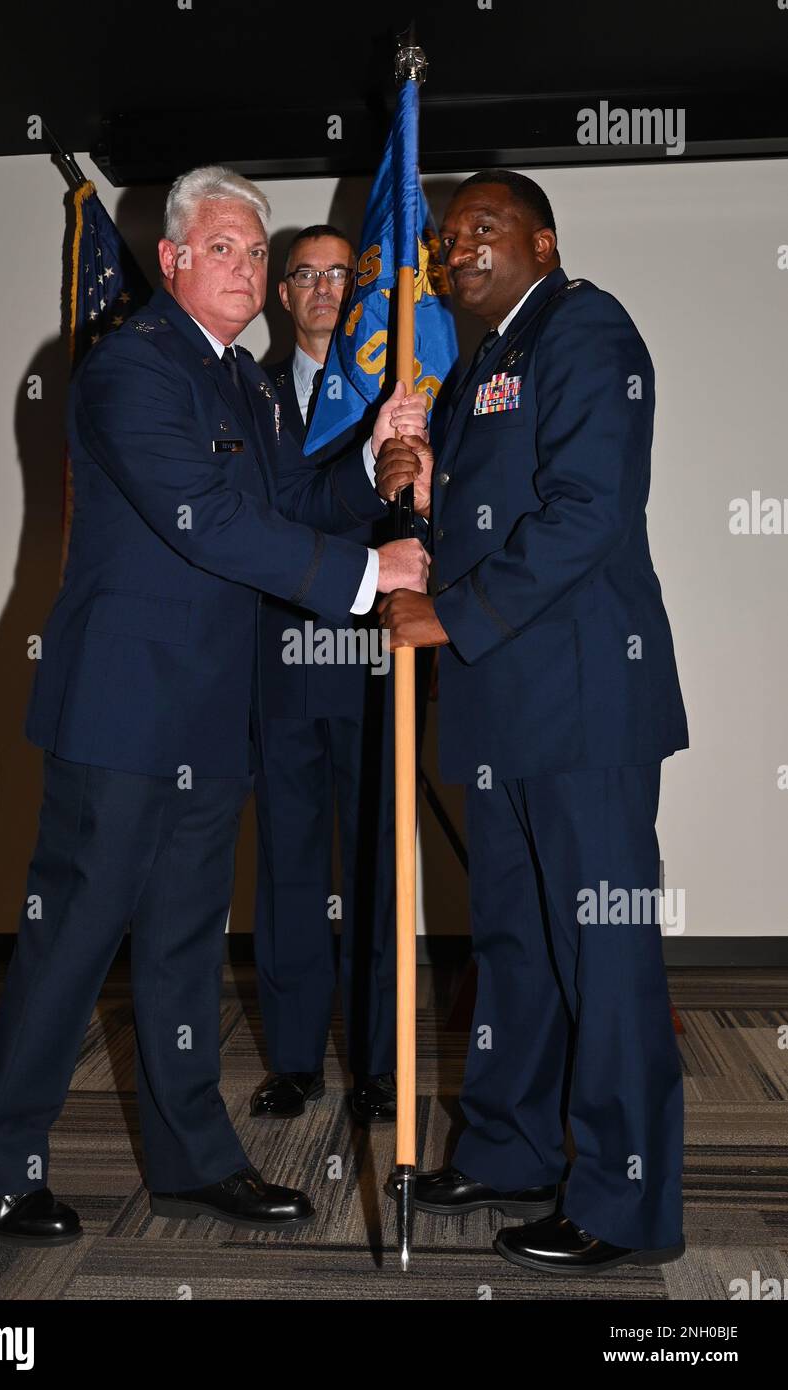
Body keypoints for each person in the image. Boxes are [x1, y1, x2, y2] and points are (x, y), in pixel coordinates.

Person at [0, 165, 429, 1246]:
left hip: (209, 719)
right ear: (169, 260)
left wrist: (371, 454)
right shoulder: (131, 370)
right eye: (221, 249)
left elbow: (290, 499)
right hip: (118, 716)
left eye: (255, 253)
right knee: (71, 946)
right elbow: (207, 519)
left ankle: (191, 1159)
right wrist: (367, 579)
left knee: (182, 949)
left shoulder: (246, 384)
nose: (245, 270)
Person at [376, 169, 689, 1274]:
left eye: (484, 227)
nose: (458, 247)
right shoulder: (477, 366)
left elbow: (586, 513)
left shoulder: (582, 327)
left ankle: (623, 1204)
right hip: (502, 708)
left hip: (583, 702)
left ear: (542, 243)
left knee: (599, 954)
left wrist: (445, 617)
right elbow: (478, 518)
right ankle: (508, 1148)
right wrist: (413, 479)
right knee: (511, 947)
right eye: (449, 234)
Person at [252, 225, 425, 1125]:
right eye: (305, 274)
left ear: (359, 292)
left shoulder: (396, 397)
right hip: (281, 657)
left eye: (339, 273)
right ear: (282, 295)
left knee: (375, 863)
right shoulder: (251, 393)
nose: (324, 287)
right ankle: (292, 1059)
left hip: (370, 658)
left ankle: (377, 1062)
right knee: (286, 862)